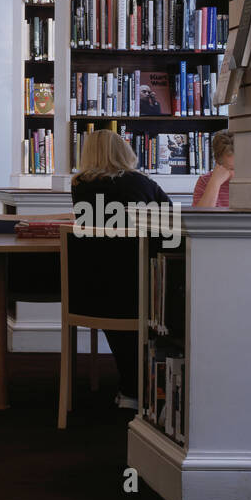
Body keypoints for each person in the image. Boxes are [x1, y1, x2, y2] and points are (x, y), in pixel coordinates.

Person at [70, 130, 172, 410]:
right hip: (142, 285)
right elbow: (169, 220)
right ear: (124, 151)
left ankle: (130, 388)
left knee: (117, 303)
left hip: (93, 289)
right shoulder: (141, 183)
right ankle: (148, 387)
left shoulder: (79, 186)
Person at [192, 130, 234, 208]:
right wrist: (215, 183)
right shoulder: (204, 181)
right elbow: (199, 218)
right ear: (218, 164)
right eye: (231, 169)